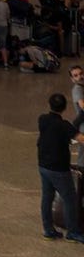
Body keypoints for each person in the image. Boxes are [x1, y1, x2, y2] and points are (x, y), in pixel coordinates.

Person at [38, 93, 84, 241]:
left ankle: (48, 229)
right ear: (64, 107)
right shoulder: (64, 126)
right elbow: (80, 138)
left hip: (43, 165)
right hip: (58, 169)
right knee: (70, 198)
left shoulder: (42, 119)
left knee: (47, 197)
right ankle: (72, 232)